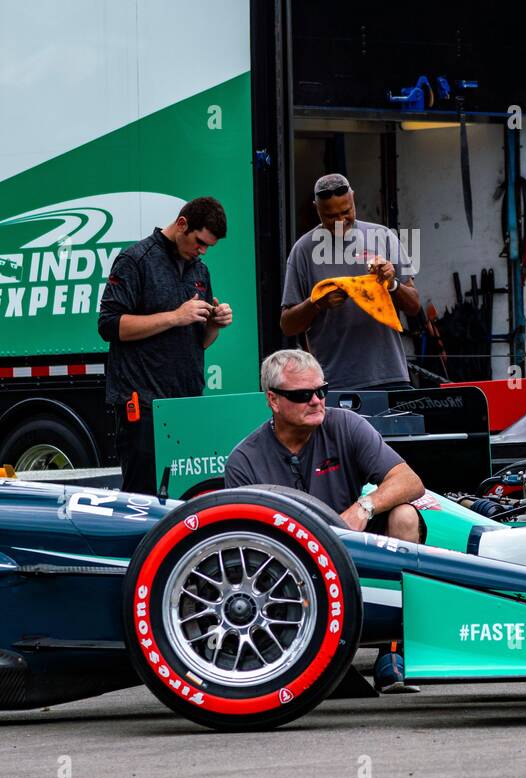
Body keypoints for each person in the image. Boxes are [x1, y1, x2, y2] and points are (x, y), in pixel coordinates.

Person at [224, 348, 425, 691]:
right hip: (291, 566)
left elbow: (410, 481)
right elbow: (243, 551)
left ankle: (394, 650)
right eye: (302, 395)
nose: (316, 401)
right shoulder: (243, 462)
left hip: (352, 547)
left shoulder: (345, 423)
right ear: (272, 400)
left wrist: (365, 507)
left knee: (405, 516)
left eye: (321, 391)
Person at [98, 197, 233, 496]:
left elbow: (200, 343)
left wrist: (214, 324)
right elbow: (109, 326)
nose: (202, 250)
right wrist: (175, 317)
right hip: (144, 405)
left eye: (208, 246)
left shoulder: (200, 271)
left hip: (186, 404)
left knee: (187, 498)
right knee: (143, 501)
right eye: (200, 242)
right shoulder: (135, 260)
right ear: (182, 224)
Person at [280, 173, 421, 389]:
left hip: (389, 375)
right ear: (316, 208)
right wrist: (316, 303)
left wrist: (392, 284)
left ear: (353, 198)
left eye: (346, 212)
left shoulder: (383, 237)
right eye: (330, 216)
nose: (339, 221)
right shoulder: (303, 251)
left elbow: (414, 307)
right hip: (335, 382)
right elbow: (287, 325)